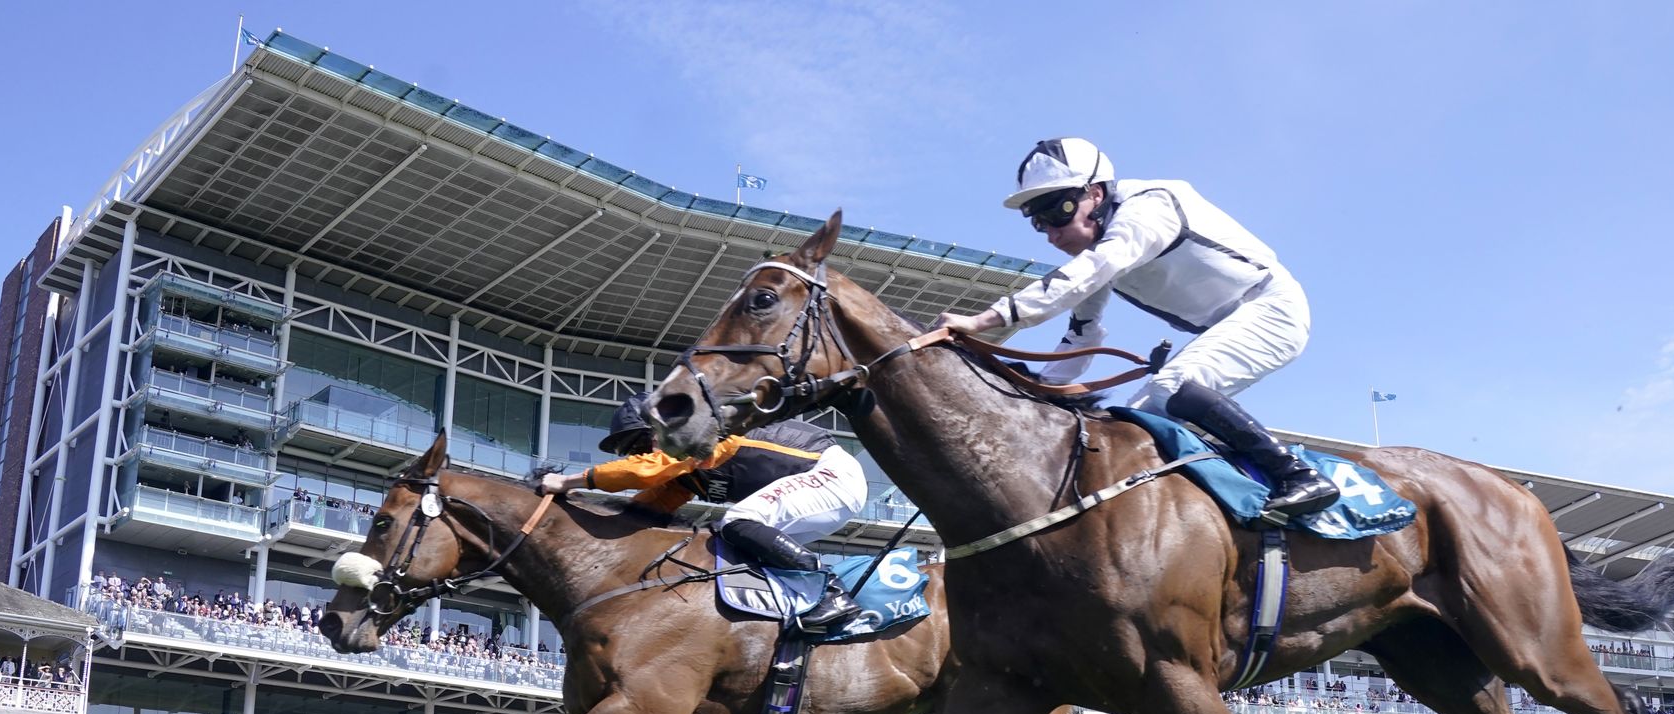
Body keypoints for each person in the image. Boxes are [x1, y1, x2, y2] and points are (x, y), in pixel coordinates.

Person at [935, 137, 1338, 519]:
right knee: (1127, 429)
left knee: (1172, 389)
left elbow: (1093, 271)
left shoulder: (1147, 209)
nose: (1053, 232)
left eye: (1058, 211)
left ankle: (1298, 475)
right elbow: (1082, 336)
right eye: (1039, 222)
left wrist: (984, 320)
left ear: (1095, 193)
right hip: (1232, 322)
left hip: (1272, 308)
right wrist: (1028, 394)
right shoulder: (1100, 250)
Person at [539, 394, 869, 630]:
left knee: (738, 521)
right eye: (631, 453)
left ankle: (830, 591)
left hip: (830, 474)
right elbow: (639, 513)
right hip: (818, 491)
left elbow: (646, 471)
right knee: (731, 541)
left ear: (661, 428)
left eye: (640, 446)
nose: (638, 456)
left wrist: (568, 482)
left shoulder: (702, 434)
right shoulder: (685, 479)